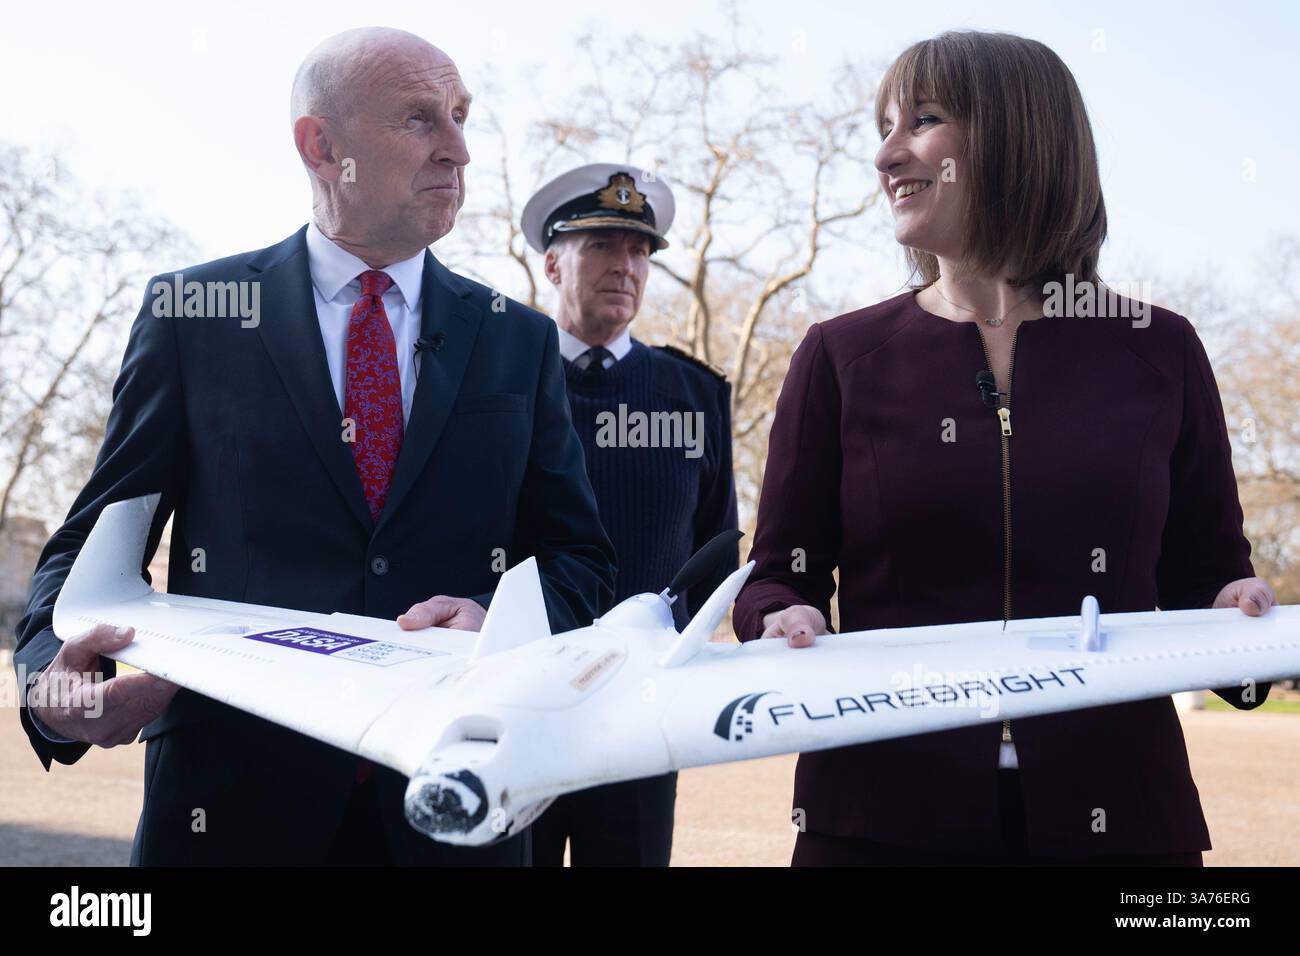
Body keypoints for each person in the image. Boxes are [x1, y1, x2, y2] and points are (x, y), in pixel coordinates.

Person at [12, 27, 615, 866]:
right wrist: (53, 679)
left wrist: (500, 620)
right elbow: (93, 537)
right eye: (421, 119)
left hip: (452, 808)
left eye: (462, 117)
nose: (459, 149)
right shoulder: (197, 314)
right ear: (320, 144)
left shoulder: (518, 339)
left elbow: (579, 556)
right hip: (230, 809)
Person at [732, 30, 1277, 866]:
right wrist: (779, 613)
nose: (887, 155)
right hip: (879, 826)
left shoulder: (1159, 350)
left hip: (1121, 827)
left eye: (922, 120)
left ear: (1019, 135)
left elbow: (1207, 575)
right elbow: (778, 572)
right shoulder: (839, 357)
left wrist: (1239, 615)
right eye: (882, 127)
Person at [519, 163, 739, 865]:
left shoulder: (694, 394)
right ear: (553, 263)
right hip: (518, 709)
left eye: (639, 251)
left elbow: (716, 553)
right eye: (603, 246)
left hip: (641, 721)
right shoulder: (498, 383)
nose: (626, 266)